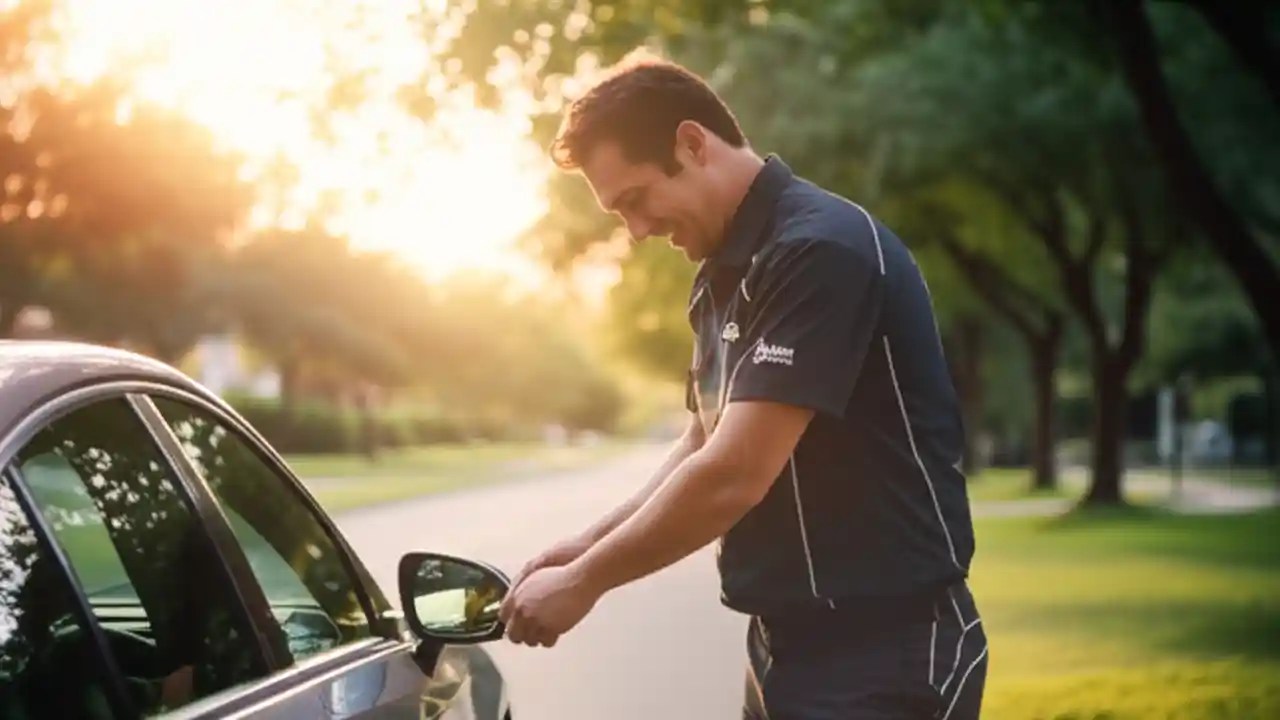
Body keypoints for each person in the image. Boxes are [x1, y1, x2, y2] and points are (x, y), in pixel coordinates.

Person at [498, 52, 987, 719]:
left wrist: (587, 581)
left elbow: (735, 472)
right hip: (786, 643)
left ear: (692, 144)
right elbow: (705, 440)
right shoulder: (722, 275)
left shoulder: (820, 251)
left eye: (636, 201)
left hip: (883, 648)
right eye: (620, 215)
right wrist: (584, 544)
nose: (638, 231)